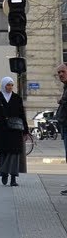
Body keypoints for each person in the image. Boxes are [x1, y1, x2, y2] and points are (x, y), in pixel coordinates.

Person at [0, 76, 29, 186]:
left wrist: (25, 131)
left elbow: (22, 115)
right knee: (3, 153)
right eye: (8, 85)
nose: (10, 87)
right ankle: (4, 173)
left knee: (14, 154)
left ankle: (13, 179)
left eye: (11, 85)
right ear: (3, 85)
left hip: (14, 131)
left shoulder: (17, 98)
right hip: (1, 131)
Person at [56, 63, 67, 195]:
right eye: (59, 72)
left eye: (63, 71)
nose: (60, 74)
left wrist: (61, 101)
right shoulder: (65, 88)